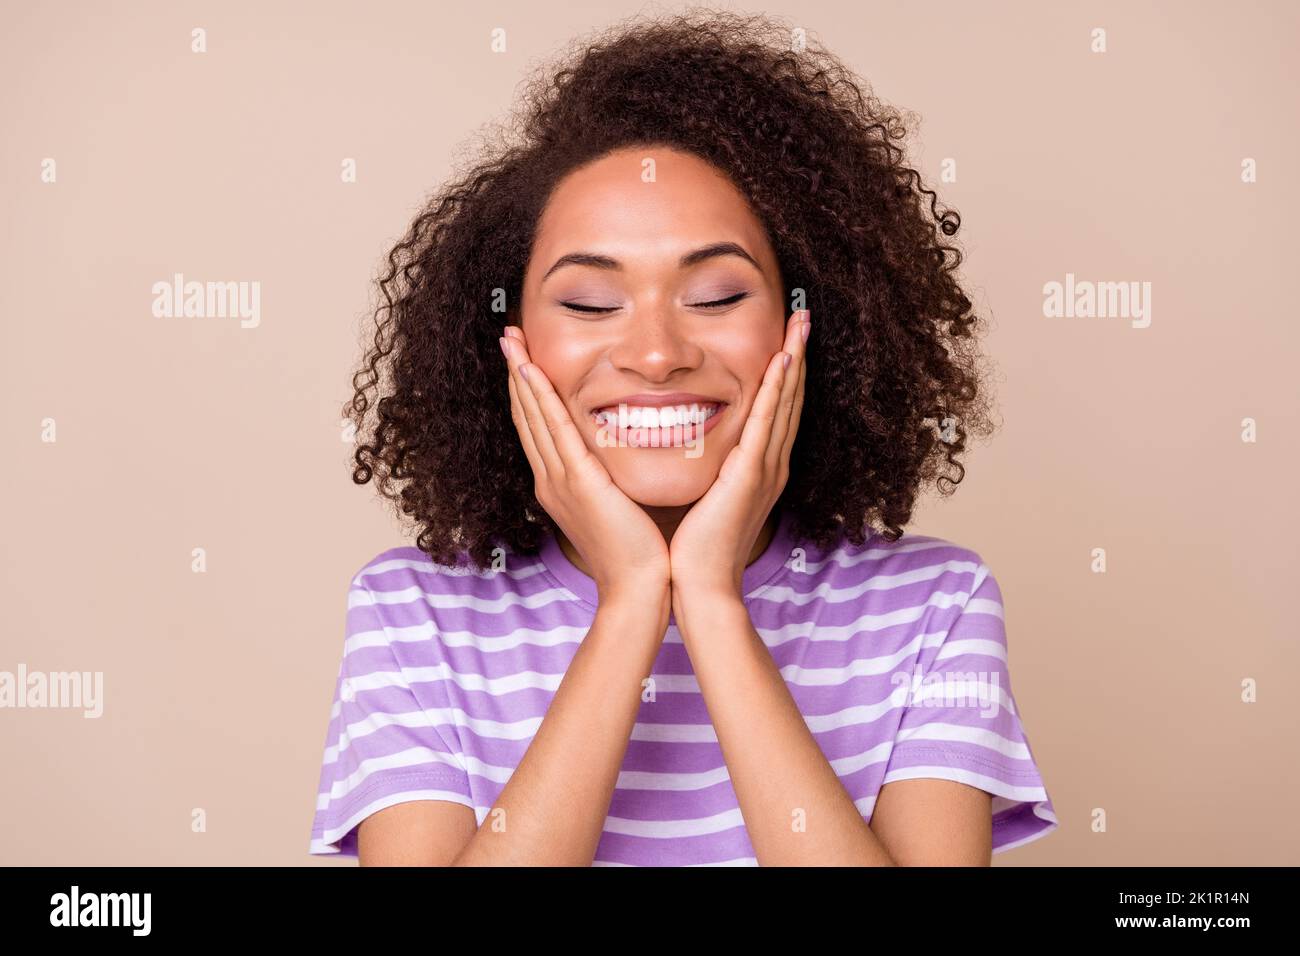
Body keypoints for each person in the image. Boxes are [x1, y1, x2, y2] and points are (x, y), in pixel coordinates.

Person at [310, 10, 1056, 865]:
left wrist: (710, 598)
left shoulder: (935, 607)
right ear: (510, 339)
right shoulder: (413, 616)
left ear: (804, 324)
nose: (658, 354)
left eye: (716, 296)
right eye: (590, 304)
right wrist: (631, 603)